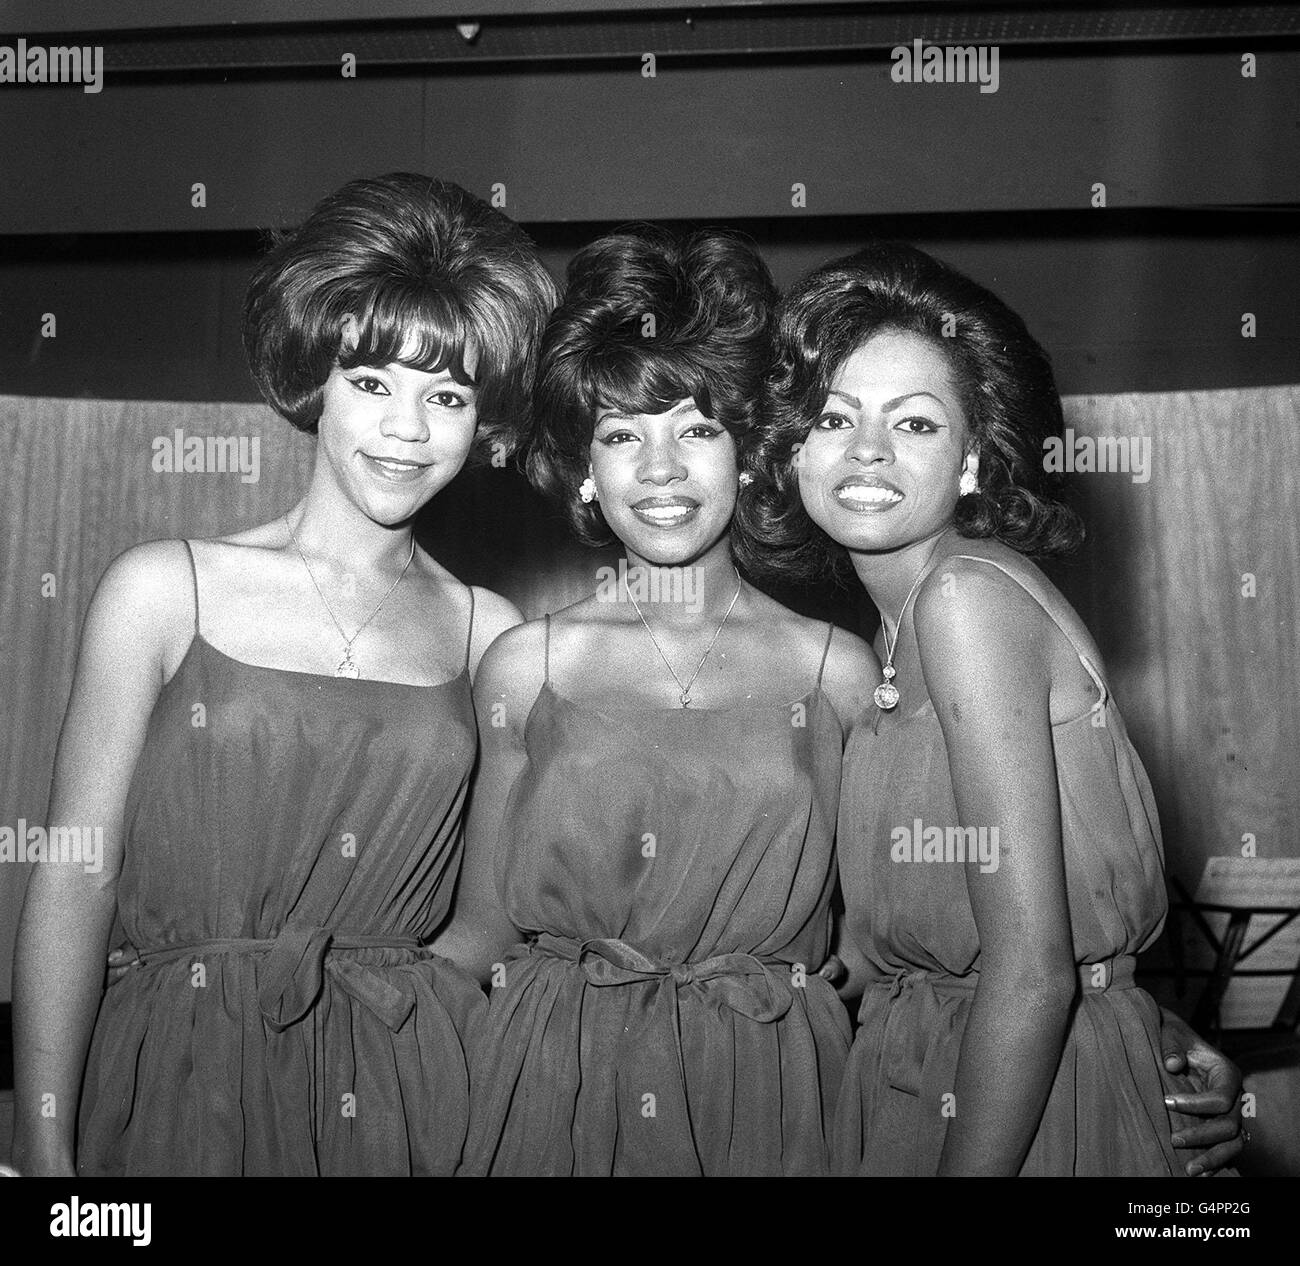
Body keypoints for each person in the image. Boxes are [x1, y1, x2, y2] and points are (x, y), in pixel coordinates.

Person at [10, 172, 556, 1176]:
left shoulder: (494, 634)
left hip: (399, 1095)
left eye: (446, 395)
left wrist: (407, 1019)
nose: (405, 428)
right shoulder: (163, 590)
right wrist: (44, 1145)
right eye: (373, 381)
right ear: (316, 378)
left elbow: (494, 916)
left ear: (485, 424)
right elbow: (75, 877)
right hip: (175, 1073)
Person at [747, 240, 1244, 1175]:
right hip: (927, 1071)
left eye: (918, 424)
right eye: (832, 417)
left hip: (1016, 1111)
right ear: (790, 449)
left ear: (974, 456)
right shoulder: (885, 641)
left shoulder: (966, 599)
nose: (867, 451)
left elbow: (1031, 974)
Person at [445, 225, 878, 1175]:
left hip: (768, 1091)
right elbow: (481, 929)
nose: (660, 469)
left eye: (696, 428)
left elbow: (905, 945)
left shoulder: (841, 672)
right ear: (588, 475)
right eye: (621, 436)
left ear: (754, 453)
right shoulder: (526, 666)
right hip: (551, 1087)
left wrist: (1148, 1028)